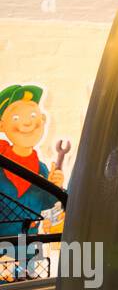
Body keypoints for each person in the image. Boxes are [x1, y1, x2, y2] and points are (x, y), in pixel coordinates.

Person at [0, 84, 64, 242]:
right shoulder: (2, 164)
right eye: (16, 118)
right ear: (2, 125)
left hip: (28, 247)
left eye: (33, 115)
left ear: (43, 119)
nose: (27, 123)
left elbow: (46, 203)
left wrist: (56, 187)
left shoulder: (40, 168)